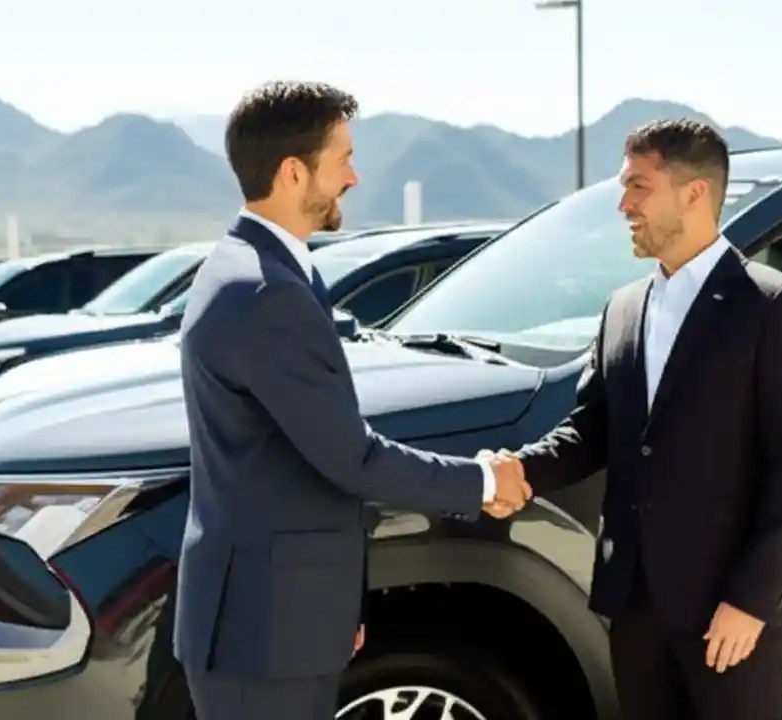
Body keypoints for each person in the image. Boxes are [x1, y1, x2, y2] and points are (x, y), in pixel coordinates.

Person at [173, 80, 530, 720]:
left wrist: (336, 606)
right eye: (342, 159)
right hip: (265, 635)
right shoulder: (265, 292)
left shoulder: (258, 267)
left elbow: (287, 462)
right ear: (291, 172)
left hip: (281, 618)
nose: (354, 177)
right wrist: (482, 482)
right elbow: (350, 459)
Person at [493, 119, 782, 719]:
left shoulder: (775, 305)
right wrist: (519, 471)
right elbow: (592, 429)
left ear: (693, 193)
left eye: (638, 188)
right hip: (634, 604)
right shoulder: (622, 309)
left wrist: (750, 601)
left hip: (727, 610)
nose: (623, 205)